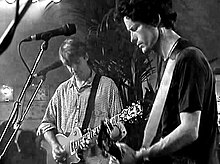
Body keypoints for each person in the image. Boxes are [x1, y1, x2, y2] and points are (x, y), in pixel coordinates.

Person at [111, 0, 219, 164]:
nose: (132, 38)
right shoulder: (172, 62)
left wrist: (142, 154)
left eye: (134, 29)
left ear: (155, 20)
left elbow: (190, 130)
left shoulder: (189, 58)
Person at [37, 36, 126, 164]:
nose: (73, 69)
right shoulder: (62, 91)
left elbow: (120, 125)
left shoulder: (107, 86)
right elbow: (46, 124)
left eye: (77, 62)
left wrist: (99, 139)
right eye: (68, 65)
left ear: (86, 56)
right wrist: (55, 145)